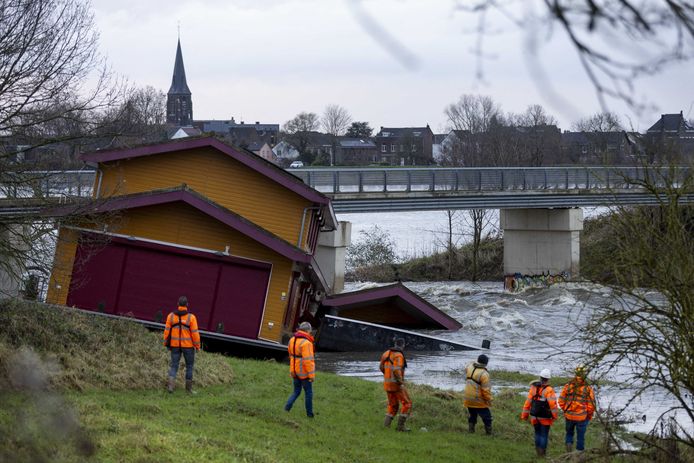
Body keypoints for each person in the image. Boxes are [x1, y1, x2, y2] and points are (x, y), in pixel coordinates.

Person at [163, 296, 201, 394]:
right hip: (188, 347)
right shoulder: (191, 317)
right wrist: (197, 346)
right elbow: (195, 334)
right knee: (189, 366)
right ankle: (188, 390)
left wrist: (166, 343)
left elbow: (166, 332)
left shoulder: (170, 316)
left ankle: (170, 387)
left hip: (174, 346)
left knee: (174, 366)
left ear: (177, 304)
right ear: (187, 305)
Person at [521, 368, 560, 458]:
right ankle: (542, 455)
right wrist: (555, 416)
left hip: (534, 416)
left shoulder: (533, 387)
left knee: (537, 434)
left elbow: (527, 403)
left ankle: (538, 453)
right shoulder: (549, 390)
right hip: (545, 418)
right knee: (544, 435)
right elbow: (553, 405)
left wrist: (524, 415)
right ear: (548, 379)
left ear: (540, 377)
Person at [559, 365, 595, 452]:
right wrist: (589, 415)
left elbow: (561, 401)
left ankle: (568, 453)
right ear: (584, 374)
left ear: (575, 373)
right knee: (580, 437)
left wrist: (565, 410)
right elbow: (591, 405)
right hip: (582, 417)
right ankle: (579, 457)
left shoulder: (568, 386)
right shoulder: (587, 388)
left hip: (569, 416)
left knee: (569, 434)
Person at [379, 337, 412, 432]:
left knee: (393, 405)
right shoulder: (398, 356)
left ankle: (386, 426)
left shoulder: (386, 353)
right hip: (396, 385)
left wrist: (387, 377)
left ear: (395, 344)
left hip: (387, 384)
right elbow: (397, 370)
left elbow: (381, 367)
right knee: (407, 403)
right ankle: (400, 427)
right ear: (403, 345)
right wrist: (401, 382)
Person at [284, 321, 316, 418]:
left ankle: (286, 409)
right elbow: (308, 361)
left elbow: (290, 355)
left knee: (296, 391)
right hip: (304, 373)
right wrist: (311, 376)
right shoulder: (307, 343)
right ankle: (309, 415)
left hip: (294, 370)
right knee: (309, 393)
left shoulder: (292, 339)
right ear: (308, 330)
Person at [463, 354, 493, 434]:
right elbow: (486, 390)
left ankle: (471, 431)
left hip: (468, 398)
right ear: (486, 364)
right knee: (487, 417)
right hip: (478, 400)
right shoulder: (484, 374)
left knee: (472, 415)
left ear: (477, 360)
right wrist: (489, 399)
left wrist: (473, 362)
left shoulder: (469, 367)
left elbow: (467, 366)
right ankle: (489, 433)